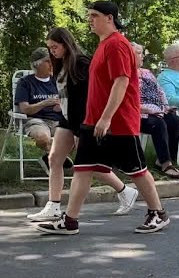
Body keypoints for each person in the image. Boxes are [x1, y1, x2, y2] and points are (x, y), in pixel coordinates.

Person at [35, 1, 170, 235]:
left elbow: (122, 81)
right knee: (83, 168)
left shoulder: (117, 44)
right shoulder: (103, 44)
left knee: (136, 170)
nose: (90, 20)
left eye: (95, 15)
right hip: (92, 122)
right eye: (89, 15)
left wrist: (107, 118)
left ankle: (157, 213)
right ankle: (69, 221)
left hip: (117, 123)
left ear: (110, 18)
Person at [27, 28, 138, 222]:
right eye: (50, 48)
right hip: (67, 117)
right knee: (55, 159)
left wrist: (89, 123)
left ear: (66, 44)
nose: (52, 51)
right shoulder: (59, 64)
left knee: (87, 165)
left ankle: (124, 190)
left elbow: (92, 94)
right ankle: (53, 205)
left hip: (83, 119)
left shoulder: (81, 63)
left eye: (55, 46)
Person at [134, 42, 179, 178]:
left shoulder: (147, 73)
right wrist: (148, 110)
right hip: (138, 114)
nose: (142, 56)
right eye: (138, 53)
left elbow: (160, 91)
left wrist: (166, 107)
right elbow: (126, 102)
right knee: (158, 123)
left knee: (175, 121)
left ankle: (163, 158)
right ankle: (165, 164)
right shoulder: (125, 75)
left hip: (157, 110)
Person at [14, 47, 64, 167]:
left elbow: (67, 102)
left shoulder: (58, 81)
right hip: (35, 120)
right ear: (37, 65)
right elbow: (24, 109)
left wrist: (62, 106)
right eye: (48, 61)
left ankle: (51, 159)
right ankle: (55, 158)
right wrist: (44, 103)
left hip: (58, 120)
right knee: (42, 137)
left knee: (72, 137)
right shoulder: (25, 82)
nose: (52, 64)